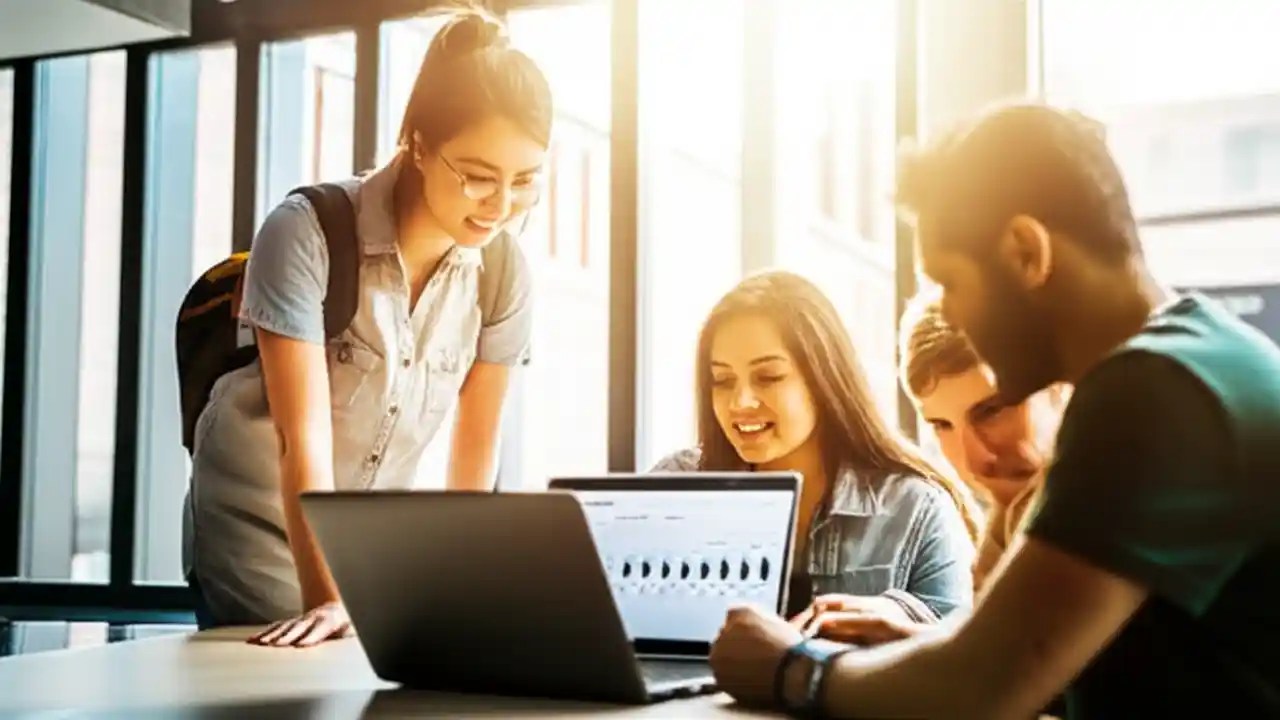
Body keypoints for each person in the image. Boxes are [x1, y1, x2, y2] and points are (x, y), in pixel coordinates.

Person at [707, 102, 1280, 719]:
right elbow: (1082, 663)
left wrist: (791, 665)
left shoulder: (1153, 390)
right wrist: (927, 645)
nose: (947, 314)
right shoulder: (1203, 357)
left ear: (1025, 251)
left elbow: (983, 695)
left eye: (951, 282)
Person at [181, 9, 553, 646]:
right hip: (259, 532)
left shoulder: (501, 271)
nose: (500, 206)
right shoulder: (307, 231)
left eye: (524, 182)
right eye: (478, 177)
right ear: (418, 144)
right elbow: (304, 440)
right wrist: (327, 600)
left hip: (368, 552)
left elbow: (474, 455)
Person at [652, 271, 981, 627]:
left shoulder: (915, 510)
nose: (740, 402)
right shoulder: (676, 484)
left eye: (769, 377)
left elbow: (960, 669)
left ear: (824, 379)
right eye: (723, 380)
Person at [798, 290, 1068, 645]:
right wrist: (903, 631)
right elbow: (995, 657)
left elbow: (1016, 681)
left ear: (1061, 385)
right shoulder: (1007, 522)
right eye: (942, 425)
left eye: (992, 411)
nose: (973, 459)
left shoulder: (1103, 498)